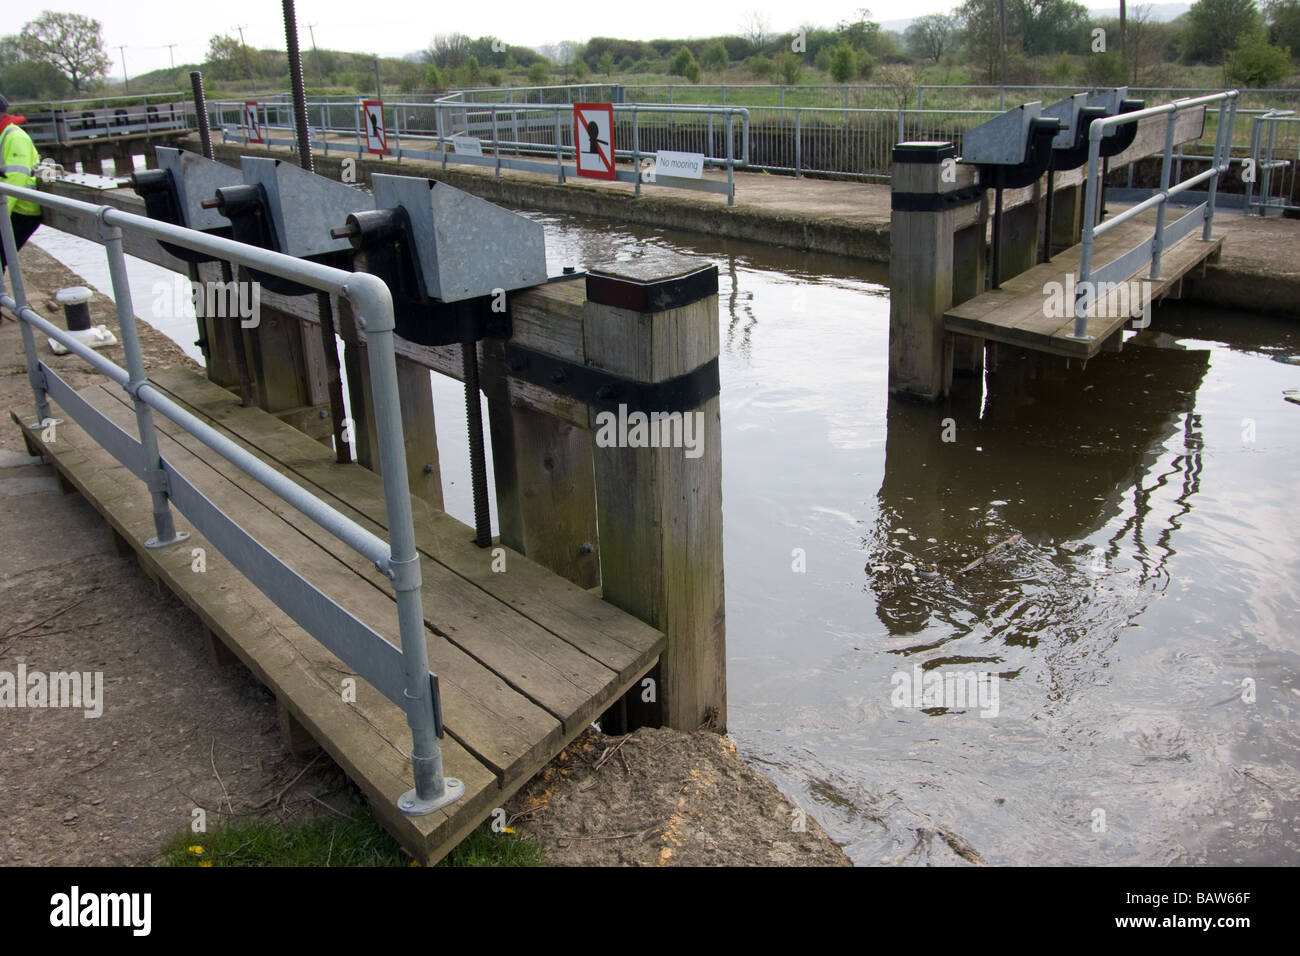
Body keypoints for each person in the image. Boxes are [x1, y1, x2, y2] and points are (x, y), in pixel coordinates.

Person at [1, 93, 42, 270]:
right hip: (11, 209)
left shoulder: (15, 137)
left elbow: (14, 182)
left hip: (22, 211)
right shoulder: (4, 134)